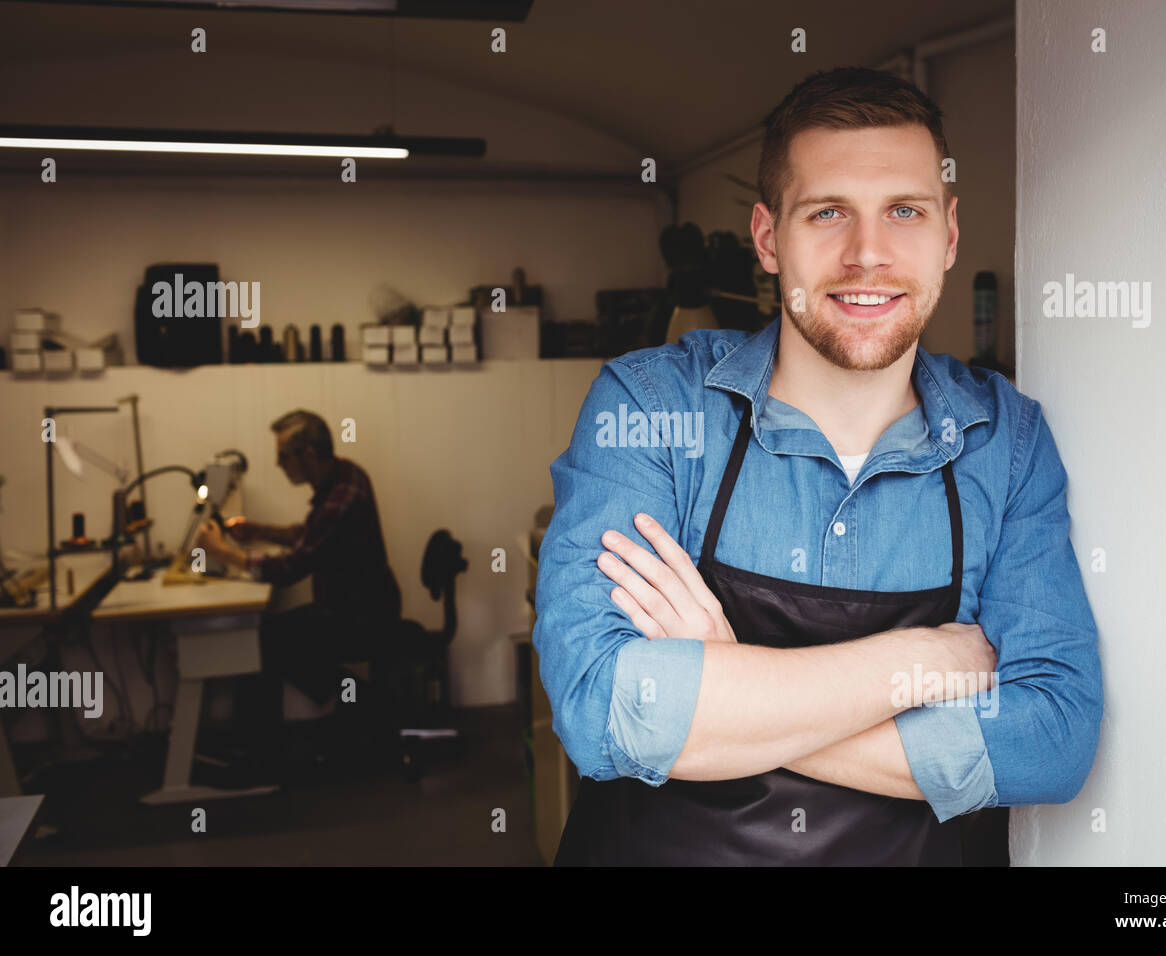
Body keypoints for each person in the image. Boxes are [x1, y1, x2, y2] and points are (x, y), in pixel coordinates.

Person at [534, 67, 1103, 866]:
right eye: (828, 212)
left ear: (947, 236)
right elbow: (601, 708)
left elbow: (1051, 739)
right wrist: (923, 661)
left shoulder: (1005, 442)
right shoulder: (653, 405)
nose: (868, 254)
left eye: (904, 211)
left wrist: (726, 683)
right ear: (769, 238)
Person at [193, 409, 402, 779]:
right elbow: (311, 535)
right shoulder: (343, 476)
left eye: (283, 456)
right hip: (361, 604)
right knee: (279, 636)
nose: (276, 463)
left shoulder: (343, 496)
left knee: (264, 639)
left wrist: (223, 553)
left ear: (307, 455)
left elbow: (290, 569)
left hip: (360, 616)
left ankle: (259, 760)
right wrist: (260, 531)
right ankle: (355, 705)